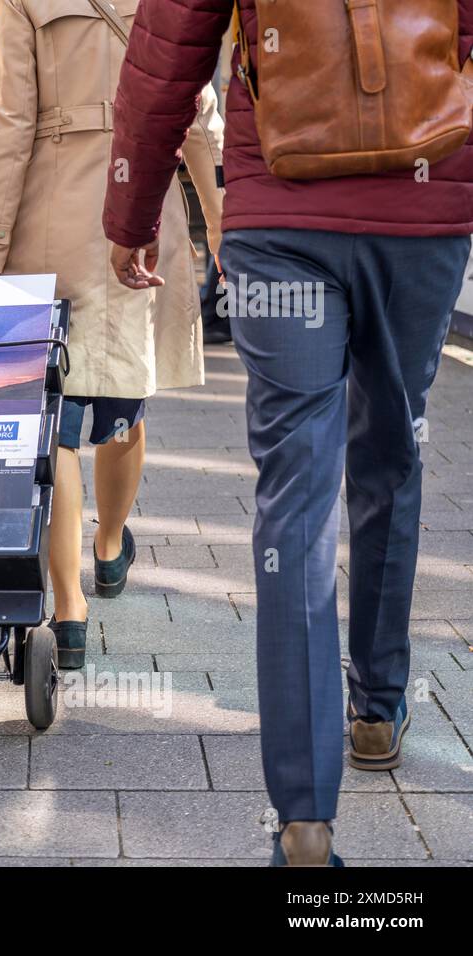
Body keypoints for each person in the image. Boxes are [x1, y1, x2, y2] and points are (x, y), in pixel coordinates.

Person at [103, 0, 473, 867]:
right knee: (392, 451)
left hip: (282, 217)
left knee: (294, 502)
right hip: (426, 210)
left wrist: (132, 210)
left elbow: (168, 51)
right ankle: (378, 707)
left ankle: (305, 819)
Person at [0, 0, 224, 675]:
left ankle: (69, 606)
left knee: (59, 416)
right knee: (125, 402)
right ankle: (109, 542)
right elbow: (195, 115)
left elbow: (9, 126)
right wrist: (224, 220)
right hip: (144, 206)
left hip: (51, 216)